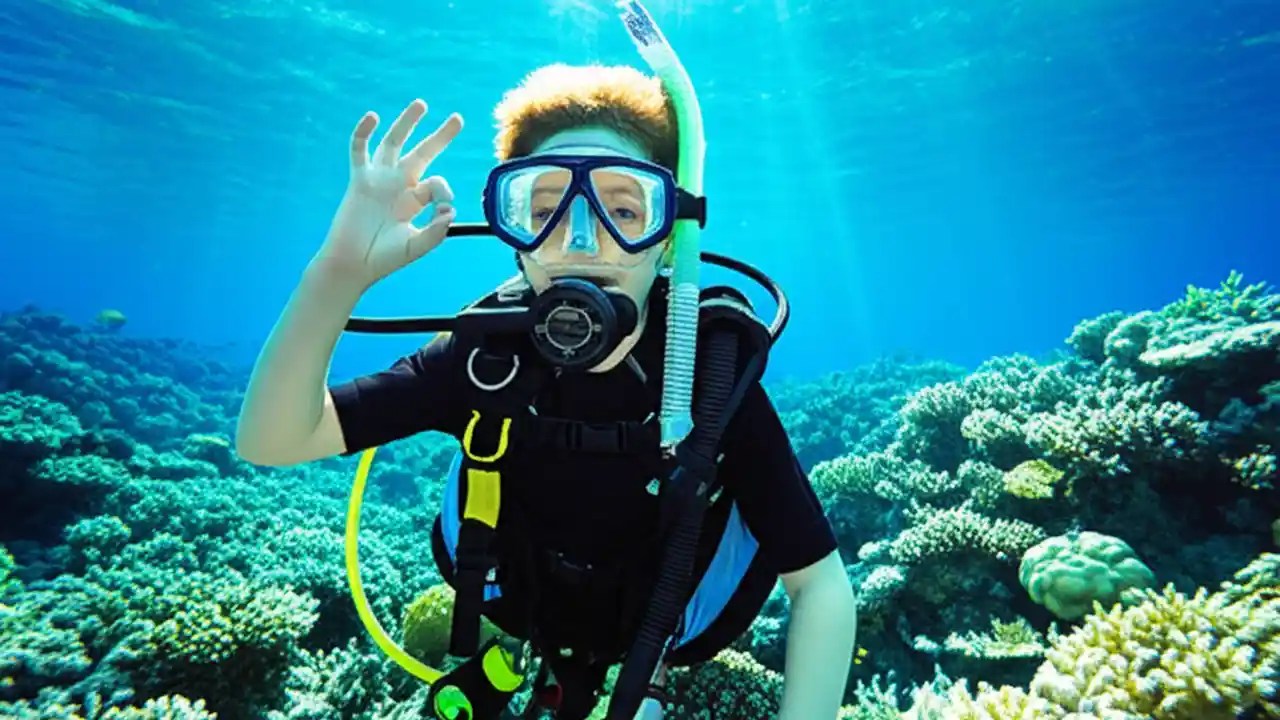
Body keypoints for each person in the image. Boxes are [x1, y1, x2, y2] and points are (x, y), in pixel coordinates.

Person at [236, 58, 855, 720]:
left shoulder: (710, 374)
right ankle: (533, 665)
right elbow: (273, 439)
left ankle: (639, 681)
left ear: (670, 239)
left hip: (671, 620)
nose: (582, 242)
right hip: (519, 599)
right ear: (515, 239)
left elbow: (820, 587)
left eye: (624, 208)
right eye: (543, 208)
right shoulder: (482, 357)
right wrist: (336, 275)